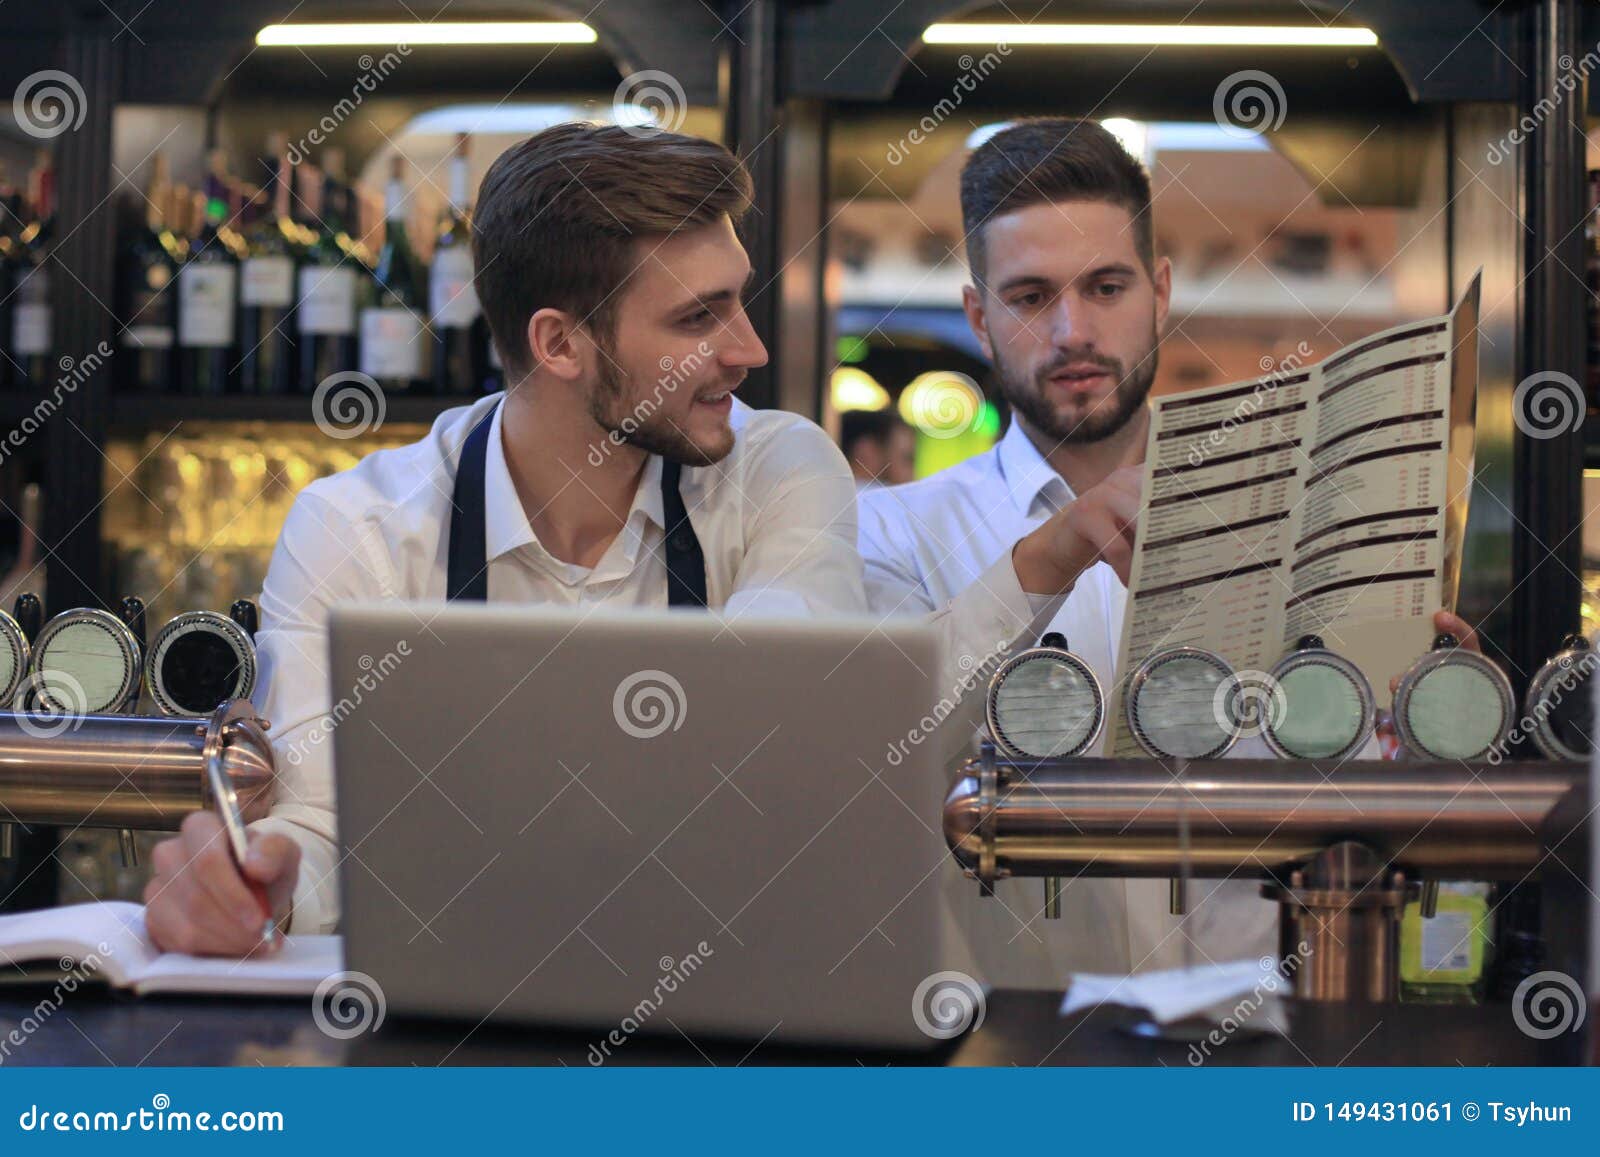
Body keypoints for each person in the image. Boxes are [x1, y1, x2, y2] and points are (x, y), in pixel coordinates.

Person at [142, 124, 866, 955]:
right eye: (699, 317)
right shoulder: (357, 528)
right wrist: (259, 887)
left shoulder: (784, 471)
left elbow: (776, 721)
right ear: (560, 343)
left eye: (738, 298)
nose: (750, 349)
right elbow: (325, 825)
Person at [858, 117, 1480, 987]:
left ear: (1159, 290)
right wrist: (1046, 559)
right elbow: (875, 769)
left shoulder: (1293, 522)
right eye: (1031, 296)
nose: (1073, 330)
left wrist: (1426, 708)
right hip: (1005, 1050)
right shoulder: (891, 529)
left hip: (1258, 1042)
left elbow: (1364, 798)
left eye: (1106, 286)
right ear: (978, 313)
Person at [840, 409, 916, 489]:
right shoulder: (883, 498)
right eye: (907, 459)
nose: (913, 473)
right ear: (867, 453)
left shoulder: (832, 494)